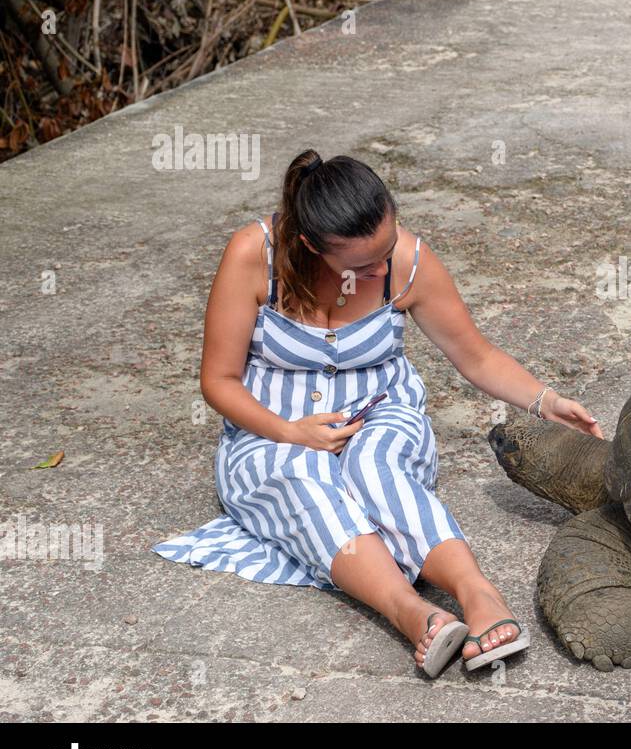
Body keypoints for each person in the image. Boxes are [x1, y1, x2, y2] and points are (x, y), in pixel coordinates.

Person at [152, 149, 603, 677]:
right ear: (311, 247)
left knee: (374, 468)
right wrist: (289, 430)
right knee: (301, 477)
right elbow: (219, 381)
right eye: (364, 264)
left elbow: (475, 356)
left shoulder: (408, 261)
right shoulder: (254, 254)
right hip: (269, 426)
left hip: (378, 409)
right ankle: (413, 613)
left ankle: (476, 593)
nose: (383, 268)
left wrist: (545, 400)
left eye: (387, 248)